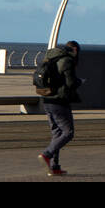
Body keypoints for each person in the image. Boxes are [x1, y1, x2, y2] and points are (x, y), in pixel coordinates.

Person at [38, 41, 81, 177]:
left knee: (57, 134)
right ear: (74, 49)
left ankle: (54, 167)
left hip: (47, 99)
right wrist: (80, 81)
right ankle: (47, 154)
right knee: (68, 132)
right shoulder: (67, 60)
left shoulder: (50, 57)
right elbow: (70, 83)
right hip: (59, 101)